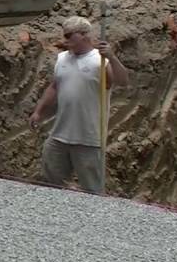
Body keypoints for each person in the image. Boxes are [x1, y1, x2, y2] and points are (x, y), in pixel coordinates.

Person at [28, 16, 130, 194]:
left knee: (92, 191)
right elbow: (54, 87)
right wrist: (38, 112)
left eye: (69, 36)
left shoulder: (100, 60)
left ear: (84, 35)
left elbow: (122, 81)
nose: (65, 40)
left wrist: (112, 58)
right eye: (64, 35)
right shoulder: (62, 59)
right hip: (60, 135)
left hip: (89, 139)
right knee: (50, 184)